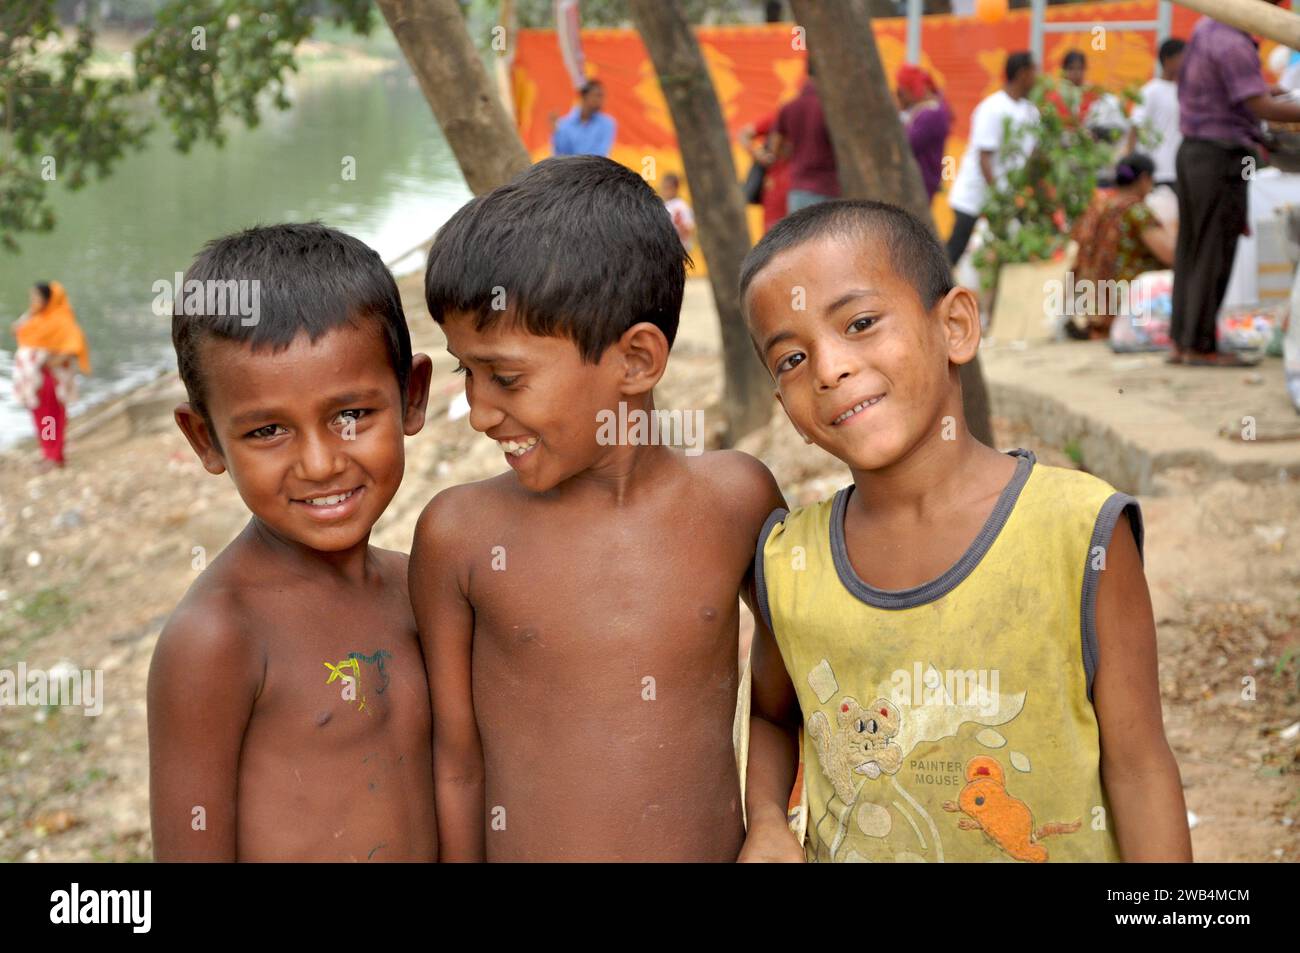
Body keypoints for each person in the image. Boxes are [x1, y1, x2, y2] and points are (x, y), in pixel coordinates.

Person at [737, 200, 1193, 863]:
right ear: (786, 407)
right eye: (791, 358)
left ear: (954, 325)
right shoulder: (790, 564)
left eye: (860, 323)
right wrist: (767, 819)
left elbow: (1140, 766)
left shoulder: (1078, 532)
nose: (829, 368)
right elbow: (773, 714)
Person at [414, 155, 784, 862]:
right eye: (467, 371)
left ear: (637, 360)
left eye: (506, 377)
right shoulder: (459, 536)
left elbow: (780, 701)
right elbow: (454, 762)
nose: (479, 412)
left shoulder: (739, 501)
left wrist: (767, 819)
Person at [148, 223, 437, 861]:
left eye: (351, 415)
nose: (319, 463)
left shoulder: (423, 588)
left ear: (411, 396)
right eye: (269, 430)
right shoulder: (218, 638)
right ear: (206, 440)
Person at [1172, 3, 1300, 366]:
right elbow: (1259, 106)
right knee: (1215, 248)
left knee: (1194, 248)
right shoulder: (1233, 41)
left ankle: (1183, 342)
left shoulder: (1208, 28)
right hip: (1221, 154)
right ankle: (1201, 346)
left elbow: (1247, 95)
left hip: (1194, 150)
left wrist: (1266, 94)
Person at [1067, 153, 1175, 339]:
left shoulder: (1098, 208)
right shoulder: (1136, 212)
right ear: (1143, 179)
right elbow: (1169, 255)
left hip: (1093, 306)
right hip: (1124, 308)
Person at [946, 51, 1039, 265]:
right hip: (975, 195)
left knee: (1007, 252)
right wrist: (999, 197)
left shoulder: (1031, 112)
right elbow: (984, 158)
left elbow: (1032, 153)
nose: (1037, 78)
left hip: (1008, 198)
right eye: (1034, 71)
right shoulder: (993, 108)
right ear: (1023, 74)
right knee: (956, 248)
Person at [10, 281, 90, 471]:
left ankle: (54, 456)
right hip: (35, 378)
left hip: (51, 378)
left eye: (37, 297)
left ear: (48, 299)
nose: (33, 301)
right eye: (32, 298)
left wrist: (48, 362)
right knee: (40, 415)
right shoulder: (35, 318)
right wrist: (30, 313)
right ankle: (48, 453)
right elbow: (17, 330)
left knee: (51, 416)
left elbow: (73, 347)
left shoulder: (61, 320)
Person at [772, 63, 840, 213]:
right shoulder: (831, 109)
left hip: (798, 190)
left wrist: (797, 151)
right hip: (828, 189)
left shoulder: (789, 107)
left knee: (800, 236)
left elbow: (775, 148)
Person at [1125, 38, 1186, 191]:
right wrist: (1131, 167)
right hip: (1156, 172)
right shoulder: (1150, 91)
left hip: (1179, 172)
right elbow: (1135, 128)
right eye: (1182, 58)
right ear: (1167, 60)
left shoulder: (1185, 92)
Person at [896, 63, 952, 201]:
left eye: (901, 92)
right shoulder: (933, 109)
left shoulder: (930, 114)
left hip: (921, 184)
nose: (899, 97)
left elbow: (906, 144)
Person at [740, 111, 792, 234]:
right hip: (775, 192)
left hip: (800, 189)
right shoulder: (783, 115)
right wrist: (758, 154)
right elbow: (744, 134)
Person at [551, 79, 616, 157]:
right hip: (570, 168)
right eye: (597, 95)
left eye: (602, 96)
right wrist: (556, 133)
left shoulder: (607, 123)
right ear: (584, 96)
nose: (601, 100)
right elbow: (561, 154)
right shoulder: (564, 124)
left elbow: (601, 154)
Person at [659, 172, 696, 252]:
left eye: (667, 188)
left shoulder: (681, 206)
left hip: (677, 251)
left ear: (675, 188)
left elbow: (688, 231)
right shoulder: (664, 205)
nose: (664, 191)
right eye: (663, 187)